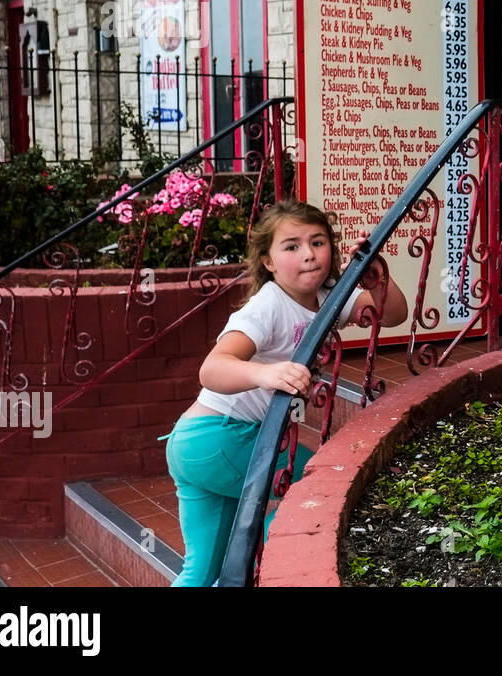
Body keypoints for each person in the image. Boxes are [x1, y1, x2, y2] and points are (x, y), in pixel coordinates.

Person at [165, 199, 408, 586]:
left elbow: (393, 314)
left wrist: (379, 282)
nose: (309, 255)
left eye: (318, 242)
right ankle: (278, 573)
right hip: (219, 436)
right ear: (269, 262)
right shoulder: (267, 307)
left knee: (203, 570)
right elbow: (211, 370)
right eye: (291, 246)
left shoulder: (329, 296)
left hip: (194, 445)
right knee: (314, 489)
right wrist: (266, 373)